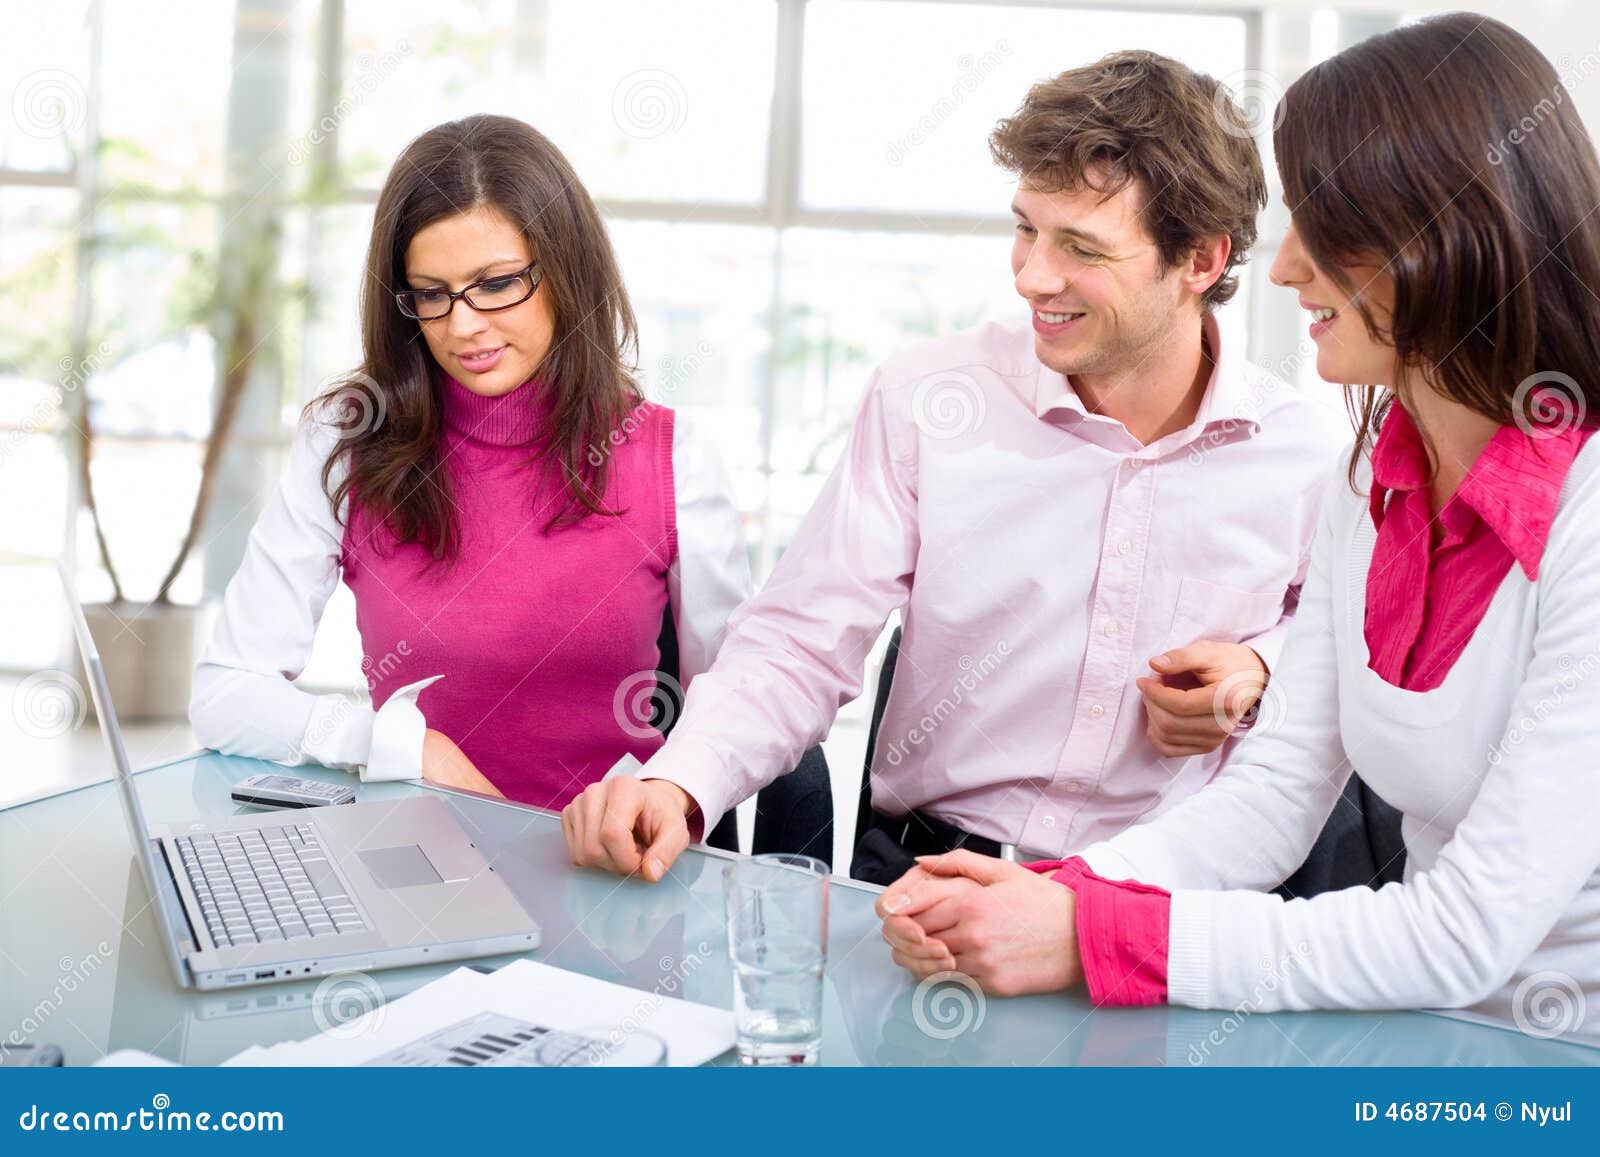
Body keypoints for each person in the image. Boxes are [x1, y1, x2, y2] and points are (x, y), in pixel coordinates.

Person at [879, 14, 1600, 1045]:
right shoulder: (1373, 471)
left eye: (1327, 225)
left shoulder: (1587, 516)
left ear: (1449, 235)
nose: (1283, 267)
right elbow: (1273, 793)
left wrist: (1091, 933)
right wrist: (1043, 894)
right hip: (1424, 1030)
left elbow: (1465, 930)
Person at [563, 51, 1351, 885]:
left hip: (1167, 903)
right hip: (925, 881)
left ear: (1198, 260)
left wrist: (1264, 664)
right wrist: (680, 781)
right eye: (1026, 228)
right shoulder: (929, 401)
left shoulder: (1301, 456)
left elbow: (1347, 661)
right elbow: (802, 639)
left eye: (1081, 246)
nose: (1032, 275)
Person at [189, 114, 749, 810]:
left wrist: (666, 793)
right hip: (416, 868)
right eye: (431, 293)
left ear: (568, 270)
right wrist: (393, 743)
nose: (462, 325)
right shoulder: (349, 440)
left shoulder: (673, 457)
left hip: (610, 880)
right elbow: (225, 693)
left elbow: (736, 701)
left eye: (496, 283)